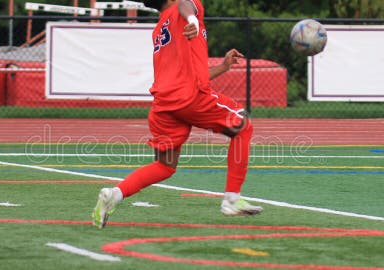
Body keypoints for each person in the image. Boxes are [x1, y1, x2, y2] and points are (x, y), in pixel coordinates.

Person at [93, 0, 262, 229]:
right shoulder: (185, 9)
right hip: (189, 98)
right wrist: (192, 19)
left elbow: (188, 74)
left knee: (165, 166)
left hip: (164, 105)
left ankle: (115, 194)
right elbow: (185, 4)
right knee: (244, 127)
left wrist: (223, 67)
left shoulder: (159, 29)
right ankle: (232, 200)